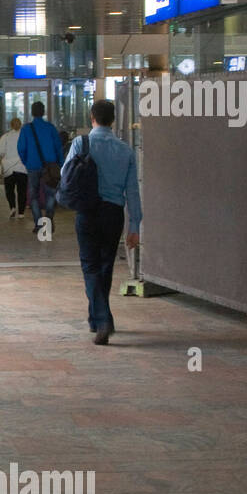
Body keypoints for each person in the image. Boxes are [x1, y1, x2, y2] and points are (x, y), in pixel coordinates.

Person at [71, 99, 142, 345]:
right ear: (113, 120)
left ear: (92, 117)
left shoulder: (81, 143)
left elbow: (64, 174)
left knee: (90, 266)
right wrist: (134, 227)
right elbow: (133, 191)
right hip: (113, 213)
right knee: (105, 266)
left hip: (87, 212)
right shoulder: (126, 150)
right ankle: (96, 318)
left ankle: (103, 320)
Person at [17, 101, 62, 235]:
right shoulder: (50, 128)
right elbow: (58, 147)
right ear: (43, 112)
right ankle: (48, 219)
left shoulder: (26, 129)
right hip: (50, 166)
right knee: (51, 194)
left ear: (32, 112)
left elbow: (21, 148)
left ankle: (38, 223)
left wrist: (27, 162)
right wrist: (60, 163)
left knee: (33, 195)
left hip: (33, 166)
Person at [0, 117, 27, 220]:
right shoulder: (25, 136)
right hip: (22, 167)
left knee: (9, 190)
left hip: (9, 168)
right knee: (22, 191)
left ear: (11, 125)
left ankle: (12, 207)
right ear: (21, 124)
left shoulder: (6, 137)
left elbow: (0, 152)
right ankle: (21, 212)